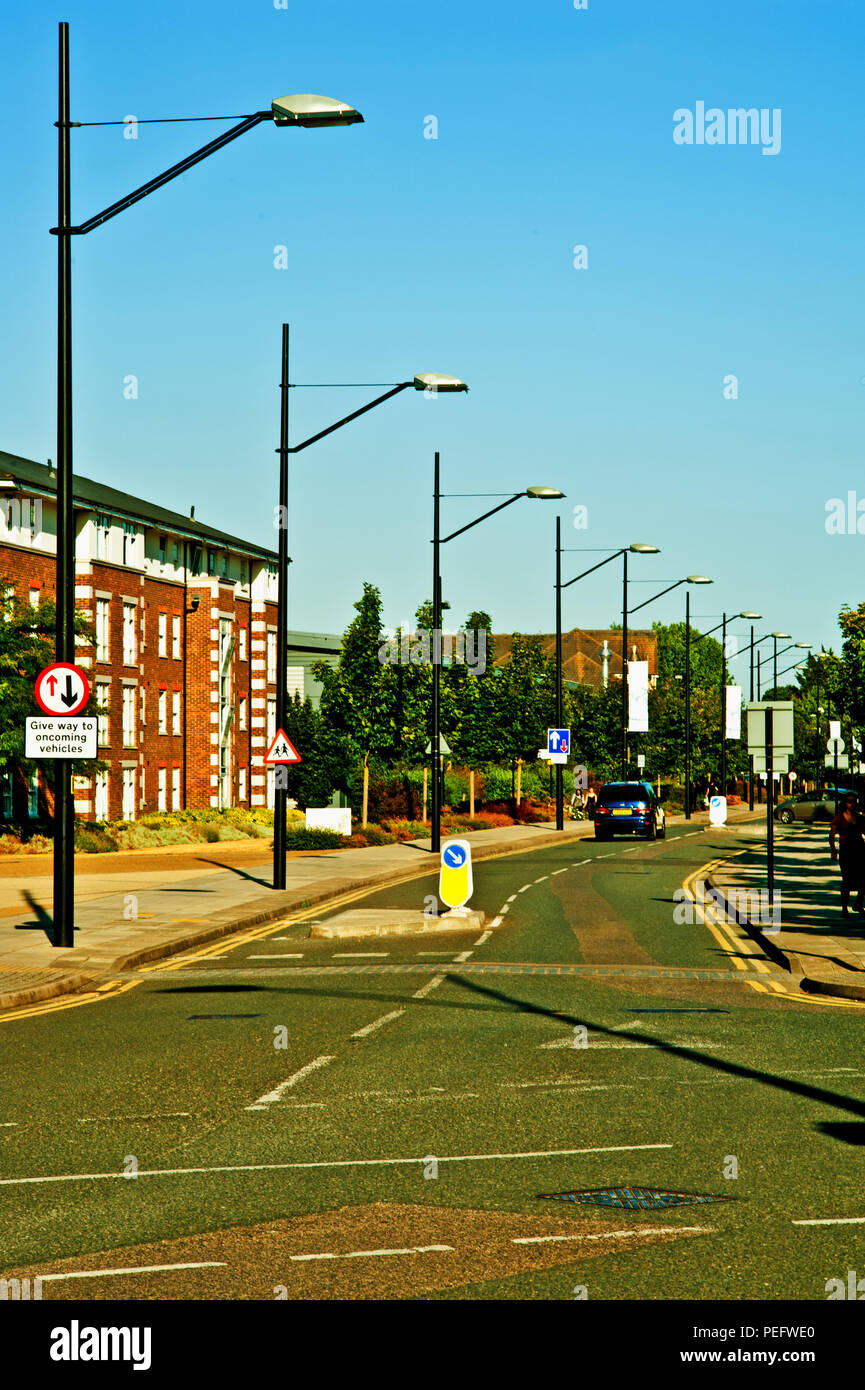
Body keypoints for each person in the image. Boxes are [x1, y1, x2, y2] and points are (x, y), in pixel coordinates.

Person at [829, 793, 865, 919]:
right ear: (845, 803)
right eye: (849, 801)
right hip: (846, 853)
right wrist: (833, 850)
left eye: (854, 801)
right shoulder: (839, 818)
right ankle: (844, 909)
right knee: (847, 881)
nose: (852, 804)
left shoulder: (860, 818)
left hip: (860, 852)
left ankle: (858, 904)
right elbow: (832, 835)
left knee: (863, 880)